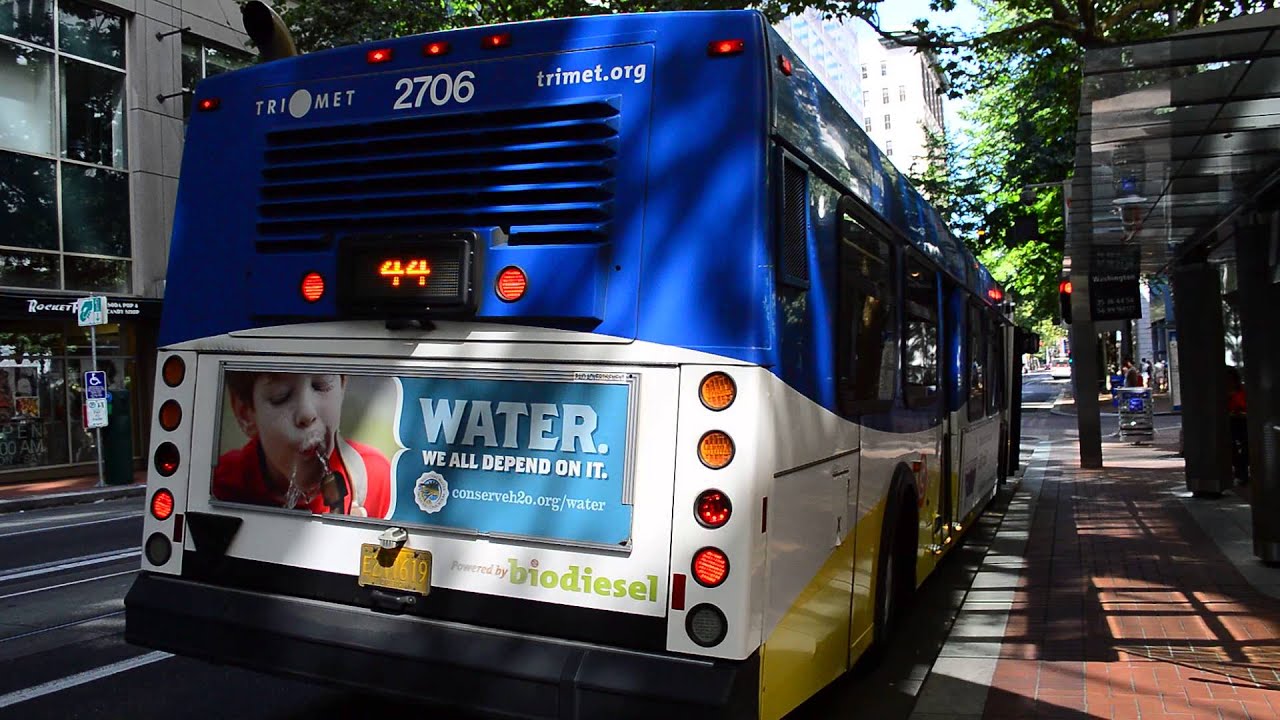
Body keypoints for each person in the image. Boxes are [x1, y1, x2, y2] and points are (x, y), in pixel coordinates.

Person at [213, 371, 391, 517]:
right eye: (280, 396)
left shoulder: (375, 478)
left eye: (321, 385)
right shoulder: (222, 482)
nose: (307, 413)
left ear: (342, 386)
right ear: (245, 414)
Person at [1226, 366, 1249, 484]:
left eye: (1231, 380)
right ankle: (1240, 472)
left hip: (1242, 422)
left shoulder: (1242, 392)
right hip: (1229, 424)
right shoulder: (1222, 394)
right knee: (1231, 447)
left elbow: (1244, 406)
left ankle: (1242, 472)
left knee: (1246, 446)